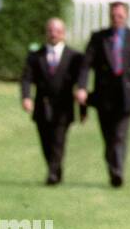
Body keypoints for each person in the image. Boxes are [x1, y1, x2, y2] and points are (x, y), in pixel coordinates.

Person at [77, 1, 130, 187]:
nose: (116, 19)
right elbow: (86, 65)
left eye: (120, 16)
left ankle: (117, 173)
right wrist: (81, 87)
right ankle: (114, 169)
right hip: (104, 96)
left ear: (126, 16)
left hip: (126, 96)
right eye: (113, 16)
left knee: (119, 135)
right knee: (109, 137)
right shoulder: (98, 38)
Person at [21, 18, 84, 186]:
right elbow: (26, 78)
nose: (53, 34)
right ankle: (55, 170)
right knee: (46, 142)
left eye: (57, 31)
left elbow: (81, 81)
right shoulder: (35, 56)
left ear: (63, 33)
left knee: (58, 140)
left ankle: (52, 175)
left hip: (64, 107)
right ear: (46, 33)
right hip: (42, 106)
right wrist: (26, 97)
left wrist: (82, 104)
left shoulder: (74, 56)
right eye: (50, 30)